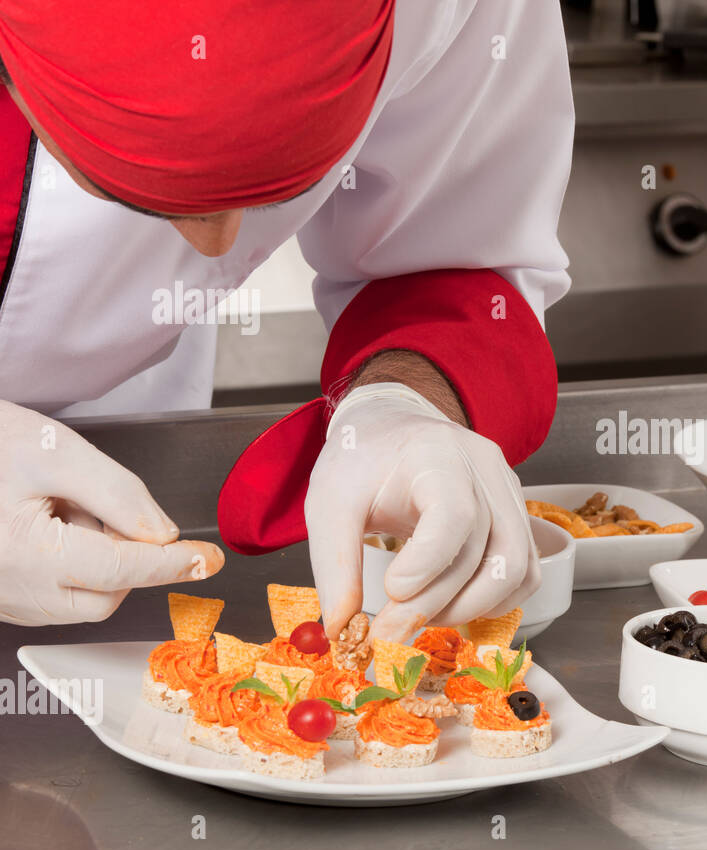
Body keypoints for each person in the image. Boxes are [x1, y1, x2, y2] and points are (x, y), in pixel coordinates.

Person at [0, 0, 571, 639]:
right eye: (120, 189)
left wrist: (407, 400)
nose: (216, 245)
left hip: (124, 461)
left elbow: (452, 252)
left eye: (282, 189)